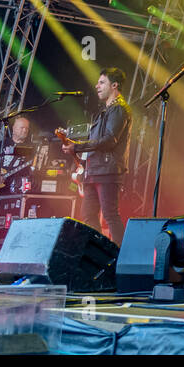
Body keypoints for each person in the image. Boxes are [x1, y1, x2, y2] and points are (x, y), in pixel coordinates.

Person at [59, 68, 131, 243]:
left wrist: (77, 147)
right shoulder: (104, 112)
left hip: (108, 171)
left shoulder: (119, 109)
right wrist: (74, 145)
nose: (96, 86)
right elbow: (95, 141)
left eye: (102, 82)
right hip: (94, 170)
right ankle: (99, 255)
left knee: (110, 215)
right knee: (88, 215)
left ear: (114, 85)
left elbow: (109, 140)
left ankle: (121, 257)